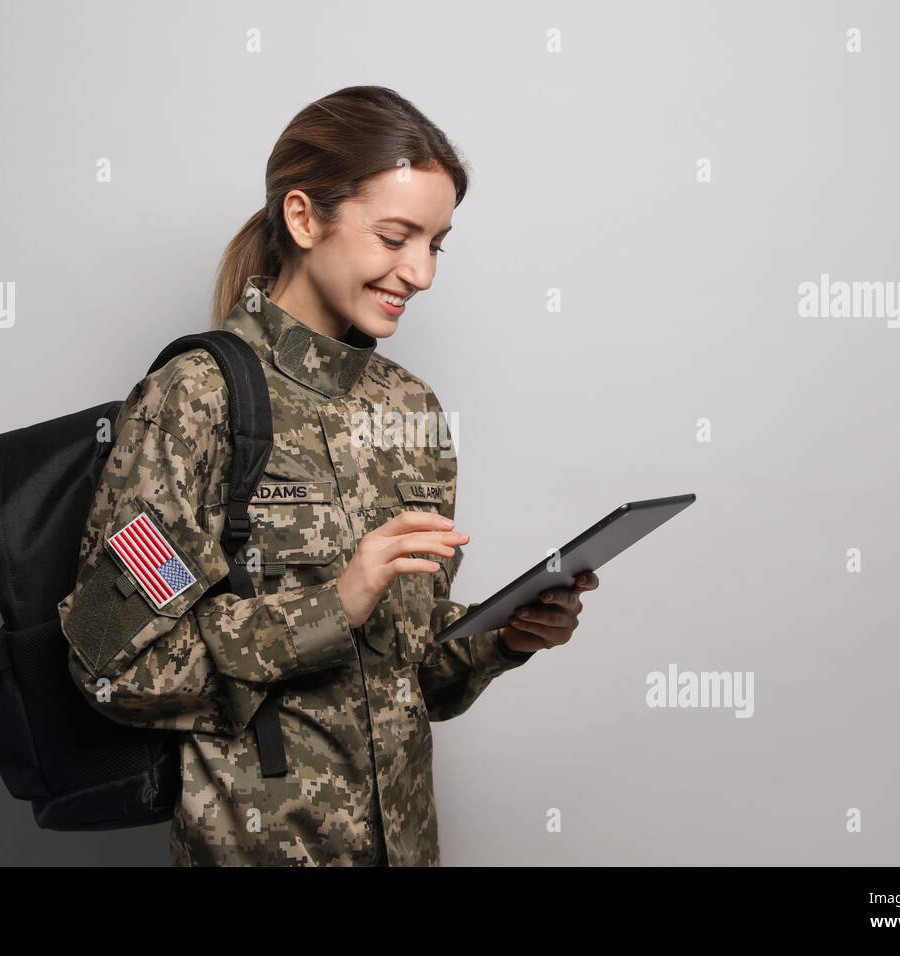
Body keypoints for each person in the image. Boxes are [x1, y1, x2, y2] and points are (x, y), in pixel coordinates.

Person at [57, 85, 598, 866]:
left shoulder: (412, 410)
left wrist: (503, 638)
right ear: (304, 218)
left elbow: (419, 681)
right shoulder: (195, 399)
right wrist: (331, 608)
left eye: (436, 243)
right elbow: (111, 664)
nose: (421, 273)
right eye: (395, 236)